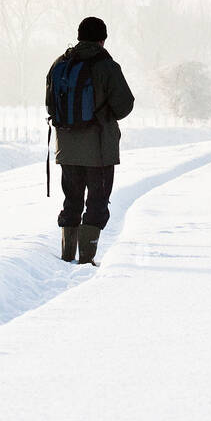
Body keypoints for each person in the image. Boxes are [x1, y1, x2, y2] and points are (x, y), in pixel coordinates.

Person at [48, 16, 135, 265]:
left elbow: (50, 103)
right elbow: (124, 105)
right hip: (98, 150)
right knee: (96, 203)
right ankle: (86, 259)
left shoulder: (60, 64)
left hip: (66, 148)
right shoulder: (107, 66)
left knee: (71, 199)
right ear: (103, 39)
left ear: (79, 36)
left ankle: (66, 255)